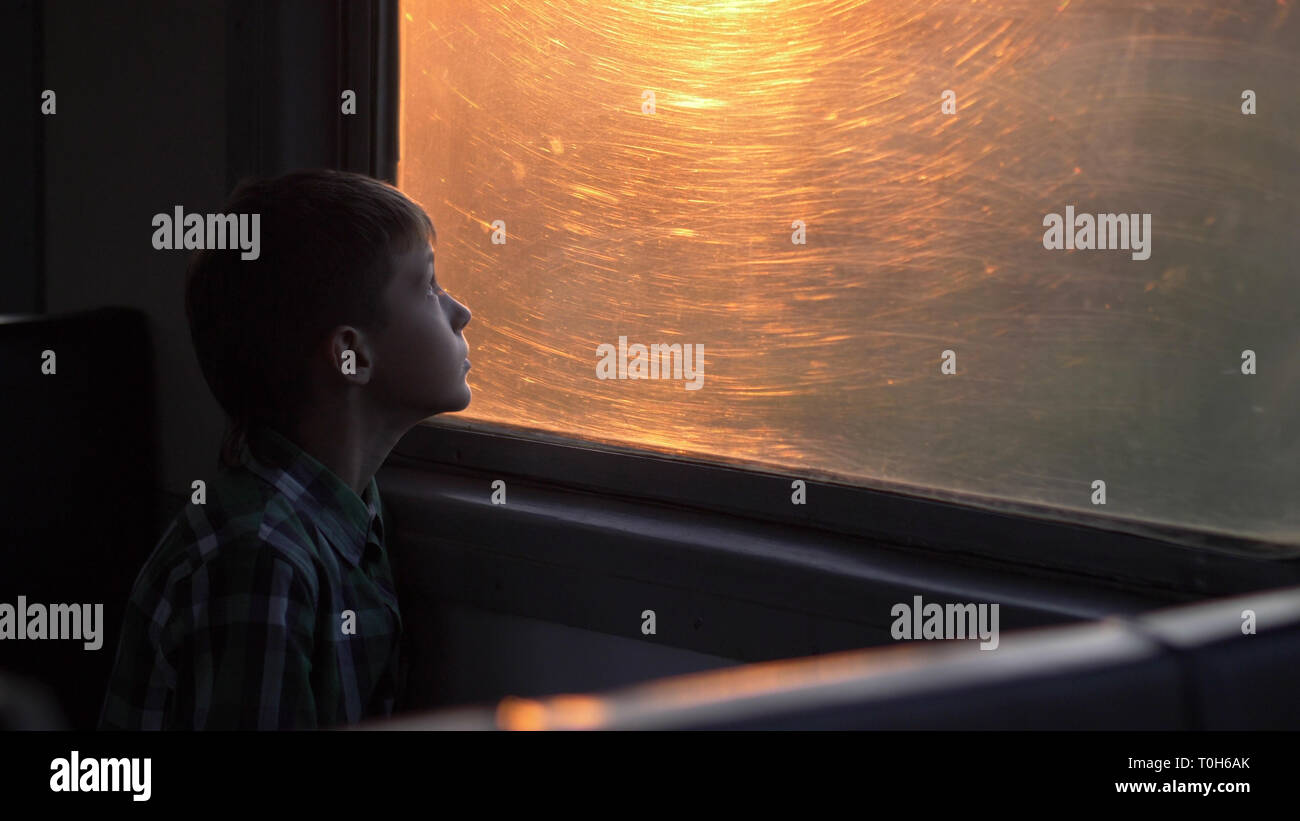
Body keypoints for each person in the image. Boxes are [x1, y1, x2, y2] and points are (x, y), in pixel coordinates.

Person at [99, 169, 472, 729]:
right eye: (427, 286)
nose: (459, 311)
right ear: (353, 356)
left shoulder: (349, 513)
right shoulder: (261, 557)